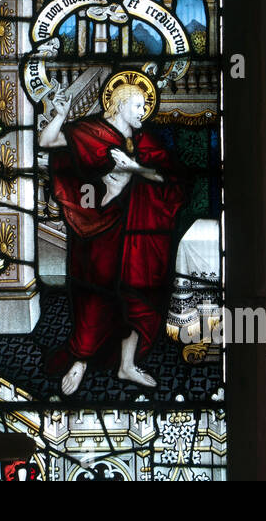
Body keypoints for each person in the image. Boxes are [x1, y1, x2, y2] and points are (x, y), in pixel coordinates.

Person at [39, 71, 185, 395]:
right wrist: (61, 115)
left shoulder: (145, 142)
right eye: (137, 105)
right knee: (95, 297)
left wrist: (133, 169)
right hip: (96, 231)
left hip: (137, 234)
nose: (142, 112)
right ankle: (80, 361)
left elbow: (169, 181)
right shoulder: (90, 131)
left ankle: (127, 365)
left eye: (145, 106)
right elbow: (47, 141)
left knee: (136, 296)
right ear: (118, 104)